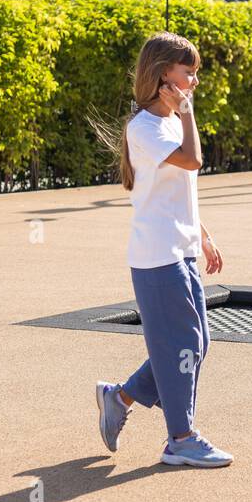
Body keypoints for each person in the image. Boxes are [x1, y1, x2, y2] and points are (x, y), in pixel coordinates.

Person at [89, 32, 233, 467]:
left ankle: (121, 397)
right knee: (183, 344)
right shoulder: (145, 128)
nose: (193, 82)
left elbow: (179, 189)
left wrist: (203, 235)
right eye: (187, 73)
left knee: (196, 342)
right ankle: (181, 438)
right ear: (160, 77)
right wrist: (188, 115)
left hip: (181, 249)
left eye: (194, 74)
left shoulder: (168, 123)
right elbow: (193, 161)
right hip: (157, 256)